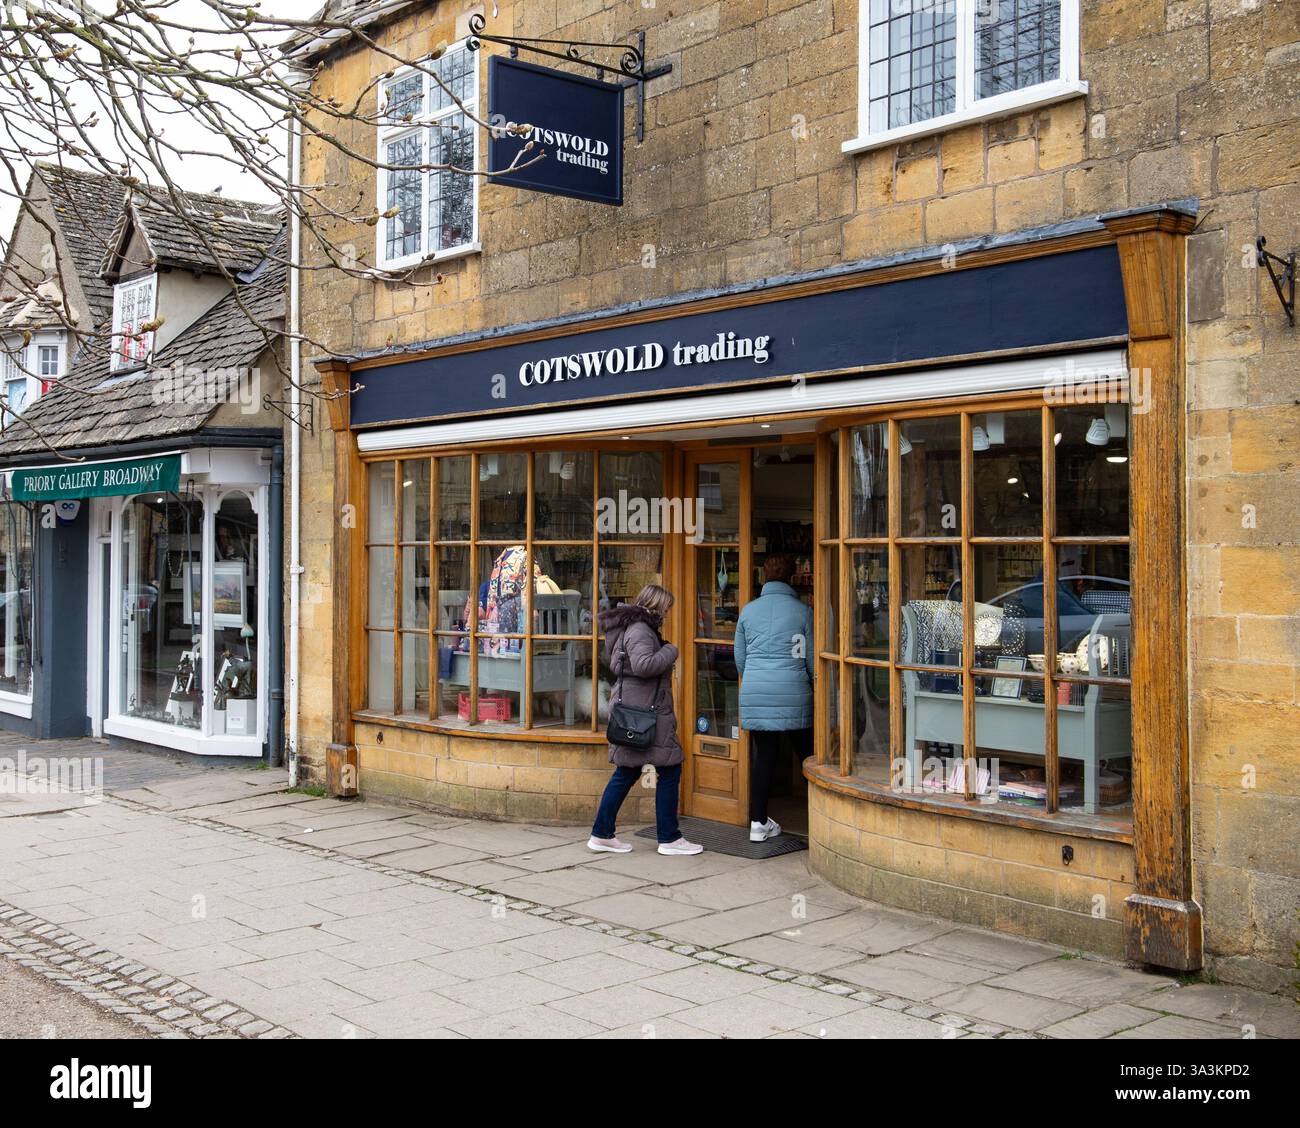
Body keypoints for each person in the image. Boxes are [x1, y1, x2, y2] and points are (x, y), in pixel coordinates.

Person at [588, 583, 703, 856]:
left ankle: (602, 834)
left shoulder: (635, 626)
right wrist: (670, 651)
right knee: (669, 769)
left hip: (639, 711)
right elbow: (643, 665)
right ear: (657, 606)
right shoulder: (641, 629)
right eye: (667, 608)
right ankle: (669, 839)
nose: (668, 613)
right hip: (644, 713)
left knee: (627, 772)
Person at [735, 555, 814, 842]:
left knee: (764, 758)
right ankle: (820, 817)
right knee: (808, 757)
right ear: (792, 577)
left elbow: (740, 659)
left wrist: (756, 677)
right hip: (795, 692)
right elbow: (811, 660)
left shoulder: (748, 611)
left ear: (763, 577)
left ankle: (757, 822)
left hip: (756, 692)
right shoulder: (803, 611)